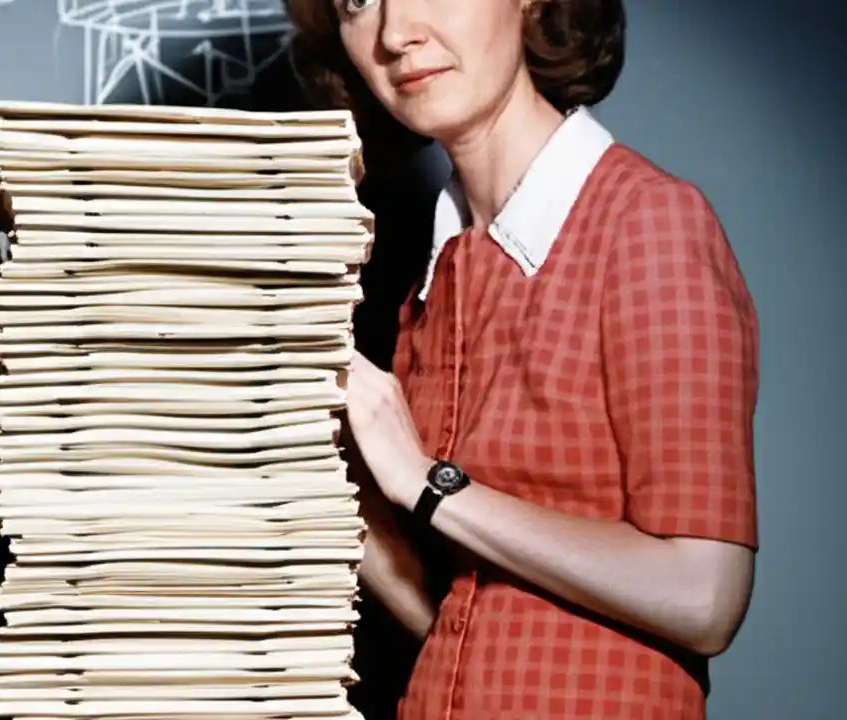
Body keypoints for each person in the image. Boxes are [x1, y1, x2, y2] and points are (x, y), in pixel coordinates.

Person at [284, 1, 760, 718]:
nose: (393, 34)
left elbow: (705, 595)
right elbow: (465, 621)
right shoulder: (439, 275)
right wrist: (339, 481)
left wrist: (426, 484)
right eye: (357, 1)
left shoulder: (646, 224)